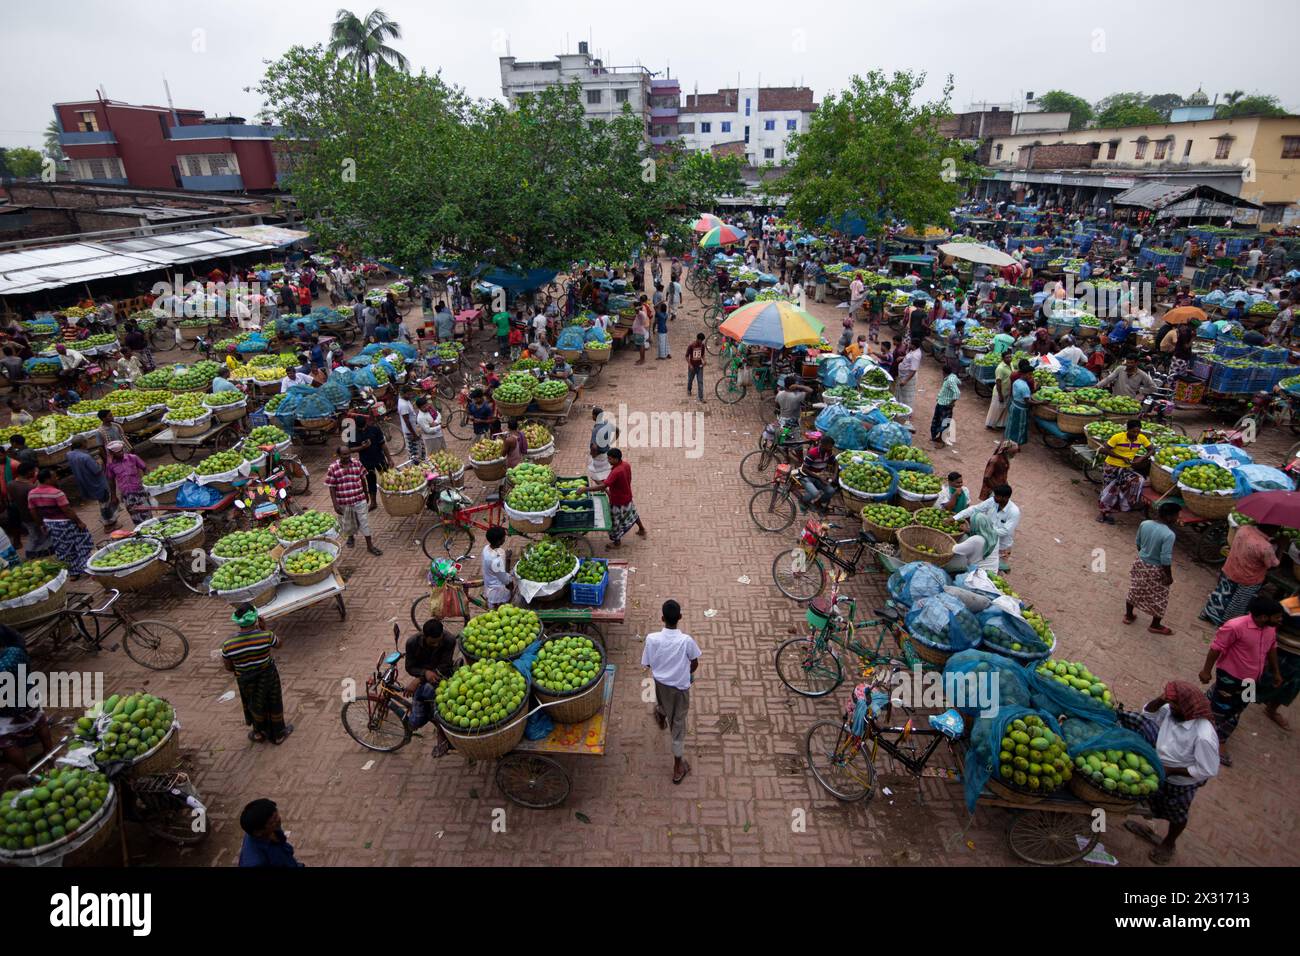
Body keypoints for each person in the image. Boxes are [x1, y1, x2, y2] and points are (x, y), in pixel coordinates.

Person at [1117, 682, 1220, 865]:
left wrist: (1172, 770)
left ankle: (1169, 843)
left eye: (1175, 705)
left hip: (1181, 779)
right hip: (1159, 759)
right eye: (1170, 703)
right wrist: (1162, 698)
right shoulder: (1171, 711)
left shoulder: (1204, 735)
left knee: (1177, 813)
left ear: (1187, 708)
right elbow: (1147, 714)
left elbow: (1207, 769)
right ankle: (1149, 819)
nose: (1170, 707)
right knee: (1133, 719)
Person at [1200, 596, 1284, 766]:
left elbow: (1272, 648)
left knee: (1241, 705)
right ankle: (1218, 738)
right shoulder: (1235, 626)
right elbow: (1216, 648)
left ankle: (1206, 702)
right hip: (1230, 676)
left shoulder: (1270, 629)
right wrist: (1206, 670)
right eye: (1277, 616)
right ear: (1262, 617)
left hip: (1253, 678)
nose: (1280, 620)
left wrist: (1276, 672)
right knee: (1225, 709)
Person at [642, 599, 701, 785]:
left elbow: (649, 663)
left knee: (663, 703)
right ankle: (677, 767)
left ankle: (660, 712)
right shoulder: (686, 641)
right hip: (680, 690)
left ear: (662, 618)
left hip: (660, 684)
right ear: (680, 618)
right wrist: (683, 672)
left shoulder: (652, 639)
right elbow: (694, 663)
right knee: (678, 726)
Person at [222, 604, 292, 744]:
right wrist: (264, 629)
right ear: (256, 619)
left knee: (254, 704)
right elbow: (279, 644)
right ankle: (278, 735)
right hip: (268, 675)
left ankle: (258, 733)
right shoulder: (266, 636)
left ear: (237, 622)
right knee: (274, 702)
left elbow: (229, 667)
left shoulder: (228, 644)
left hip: (245, 680)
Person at [1201, 521, 1280, 625]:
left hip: (1230, 570)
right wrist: (1281, 547)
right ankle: (1226, 624)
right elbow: (1273, 564)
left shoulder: (1244, 529)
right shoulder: (1265, 547)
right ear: (1272, 530)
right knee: (1238, 603)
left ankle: (1208, 614)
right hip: (1247, 580)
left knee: (1221, 594)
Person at [0, 625, 53, 772]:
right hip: (30, 700)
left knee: (6, 742)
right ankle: (49, 752)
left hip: (8, 712)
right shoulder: (16, 652)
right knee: (40, 723)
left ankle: (27, 772)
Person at [405, 618, 457, 757]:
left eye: (439, 641)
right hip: (424, 680)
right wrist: (424, 674)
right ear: (424, 636)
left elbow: (445, 666)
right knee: (418, 718)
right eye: (433, 642)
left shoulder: (449, 640)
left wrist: (421, 678)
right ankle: (430, 718)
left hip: (443, 677)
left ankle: (440, 732)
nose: (437, 644)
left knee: (433, 707)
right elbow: (410, 667)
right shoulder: (412, 643)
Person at [1126, 501, 1180, 634]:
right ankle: (1155, 625)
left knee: (1135, 588)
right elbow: (1165, 558)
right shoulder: (1169, 535)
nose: (1177, 518)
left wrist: (1145, 555)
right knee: (1160, 596)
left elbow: (1138, 543)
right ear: (1168, 516)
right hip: (1156, 568)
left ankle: (1128, 616)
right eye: (1176, 516)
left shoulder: (1145, 524)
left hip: (1140, 563)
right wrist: (1168, 576)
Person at [29, 468, 93, 577]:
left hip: (50, 524)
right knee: (82, 543)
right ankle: (86, 568)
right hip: (66, 523)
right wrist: (79, 522)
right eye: (54, 476)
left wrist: (41, 524)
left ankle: (73, 573)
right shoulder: (57, 493)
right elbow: (67, 510)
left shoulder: (32, 493)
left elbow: (33, 511)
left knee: (63, 548)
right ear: (47, 479)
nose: (56, 478)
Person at [324, 445, 382, 556]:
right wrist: (335, 504)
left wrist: (366, 493)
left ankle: (370, 545)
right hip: (343, 502)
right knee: (347, 521)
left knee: (364, 523)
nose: (347, 456)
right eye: (344, 454)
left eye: (348, 453)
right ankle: (350, 537)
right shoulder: (333, 468)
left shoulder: (357, 463)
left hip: (358, 499)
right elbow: (331, 487)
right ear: (339, 455)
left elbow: (363, 478)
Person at [585, 448, 645, 547]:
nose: (608, 461)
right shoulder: (626, 465)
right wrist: (608, 489)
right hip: (627, 495)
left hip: (618, 501)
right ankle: (642, 529)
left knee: (614, 522)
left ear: (616, 459)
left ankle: (617, 542)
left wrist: (585, 489)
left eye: (610, 459)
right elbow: (616, 481)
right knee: (632, 513)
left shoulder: (616, 471)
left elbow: (604, 486)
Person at [1097, 420, 1151, 523]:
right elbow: (1103, 450)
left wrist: (1141, 458)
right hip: (1111, 467)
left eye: (1137, 432)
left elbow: (1151, 449)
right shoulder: (1117, 437)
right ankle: (1102, 513)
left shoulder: (1141, 438)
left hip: (1126, 468)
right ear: (1127, 430)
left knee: (1138, 480)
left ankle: (1122, 505)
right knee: (1108, 490)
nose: (1135, 434)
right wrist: (1121, 457)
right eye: (1133, 432)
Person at [956, 483, 1020, 566]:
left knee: (995, 571)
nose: (994, 498)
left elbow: (1004, 531)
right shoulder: (992, 501)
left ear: (1005, 498)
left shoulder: (1014, 512)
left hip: (1001, 547)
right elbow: (975, 509)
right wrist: (956, 517)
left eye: (997, 496)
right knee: (981, 565)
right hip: (986, 542)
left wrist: (977, 531)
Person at [66, 436, 114, 533]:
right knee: (104, 504)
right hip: (97, 484)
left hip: (85, 483)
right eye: (86, 442)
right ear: (83, 443)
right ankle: (107, 524)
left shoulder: (69, 455)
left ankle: (109, 520)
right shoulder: (85, 457)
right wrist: (100, 463)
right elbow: (96, 470)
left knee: (102, 502)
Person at [238, 799, 304, 867]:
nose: (278, 820)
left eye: (276, 815)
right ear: (258, 832)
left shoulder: (270, 827)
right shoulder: (256, 862)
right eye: (272, 821)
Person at [104, 441, 151, 528]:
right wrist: (113, 496)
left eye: (122, 451)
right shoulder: (110, 465)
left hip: (139, 490)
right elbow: (111, 481)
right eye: (118, 452)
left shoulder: (133, 458)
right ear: (111, 453)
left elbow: (145, 468)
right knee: (135, 515)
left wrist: (148, 481)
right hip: (127, 494)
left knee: (146, 512)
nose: (121, 453)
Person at [349, 414, 392, 506]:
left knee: (388, 478)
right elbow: (350, 449)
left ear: (366, 423)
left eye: (364, 427)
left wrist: (389, 459)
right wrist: (362, 447)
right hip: (366, 461)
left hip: (379, 459)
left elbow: (383, 445)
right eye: (360, 428)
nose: (363, 429)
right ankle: (373, 502)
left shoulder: (375, 429)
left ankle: (392, 498)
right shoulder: (352, 433)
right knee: (370, 481)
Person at [798, 434, 838, 513]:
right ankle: (803, 501)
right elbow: (804, 469)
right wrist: (820, 478)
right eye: (830, 447)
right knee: (815, 493)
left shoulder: (828, 453)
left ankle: (818, 503)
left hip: (818, 476)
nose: (831, 449)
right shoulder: (813, 453)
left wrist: (835, 475)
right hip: (806, 476)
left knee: (831, 491)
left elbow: (836, 463)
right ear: (823, 445)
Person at [481, 525, 513, 610]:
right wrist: (508, 560)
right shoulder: (496, 561)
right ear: (499, 541)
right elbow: (505, 580)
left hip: (489, 587)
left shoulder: (486, 548)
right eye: (503, 538)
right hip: (497, 595)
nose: (504, 539)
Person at [931, 359, 961, 447]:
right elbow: (959, 382)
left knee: (943, 422)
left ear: (944, 372)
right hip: (941, 402)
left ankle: (942, 441)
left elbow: (957, 392)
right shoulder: (953, 376)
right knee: (939, 421)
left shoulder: (950, 381)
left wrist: (952, 402)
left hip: (945, 405)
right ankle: (938, 437)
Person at [894, 341, 922, 423]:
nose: (908, 344)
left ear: (914, 345)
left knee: (907, 396)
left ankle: (905, 415)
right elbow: (908, 358)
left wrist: (905, 381)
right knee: (901, 394)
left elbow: (913, 370)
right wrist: (903, 358)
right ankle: (899, 409)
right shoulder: (912, 351)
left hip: (907, 377)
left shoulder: (915, 356)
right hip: (903, 375)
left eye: (910, 343)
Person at [588, 407, 615, 484]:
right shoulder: (607, 423)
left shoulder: (596, 430)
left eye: (592, 415)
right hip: (606, 453)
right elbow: (617, 431)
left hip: (599, 455)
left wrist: (593, 455)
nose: (592, 416)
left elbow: (594, 446)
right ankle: (604, 488)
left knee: (594, 475)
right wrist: (611, 442)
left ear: (595, 416)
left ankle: (604, 489)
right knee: (604, 474)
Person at [685, 333, 706, 403]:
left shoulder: (702, 345)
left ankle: (701, 397)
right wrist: (690, 365)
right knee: (690, 379)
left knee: (700, 381)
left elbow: (702, 355)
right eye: (701, 340)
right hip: (692, 367)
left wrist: (704, 360)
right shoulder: (691, 346)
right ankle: (689, 389)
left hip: (699, 366)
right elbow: (686, 356)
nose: (701, 342)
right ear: (697, 339)